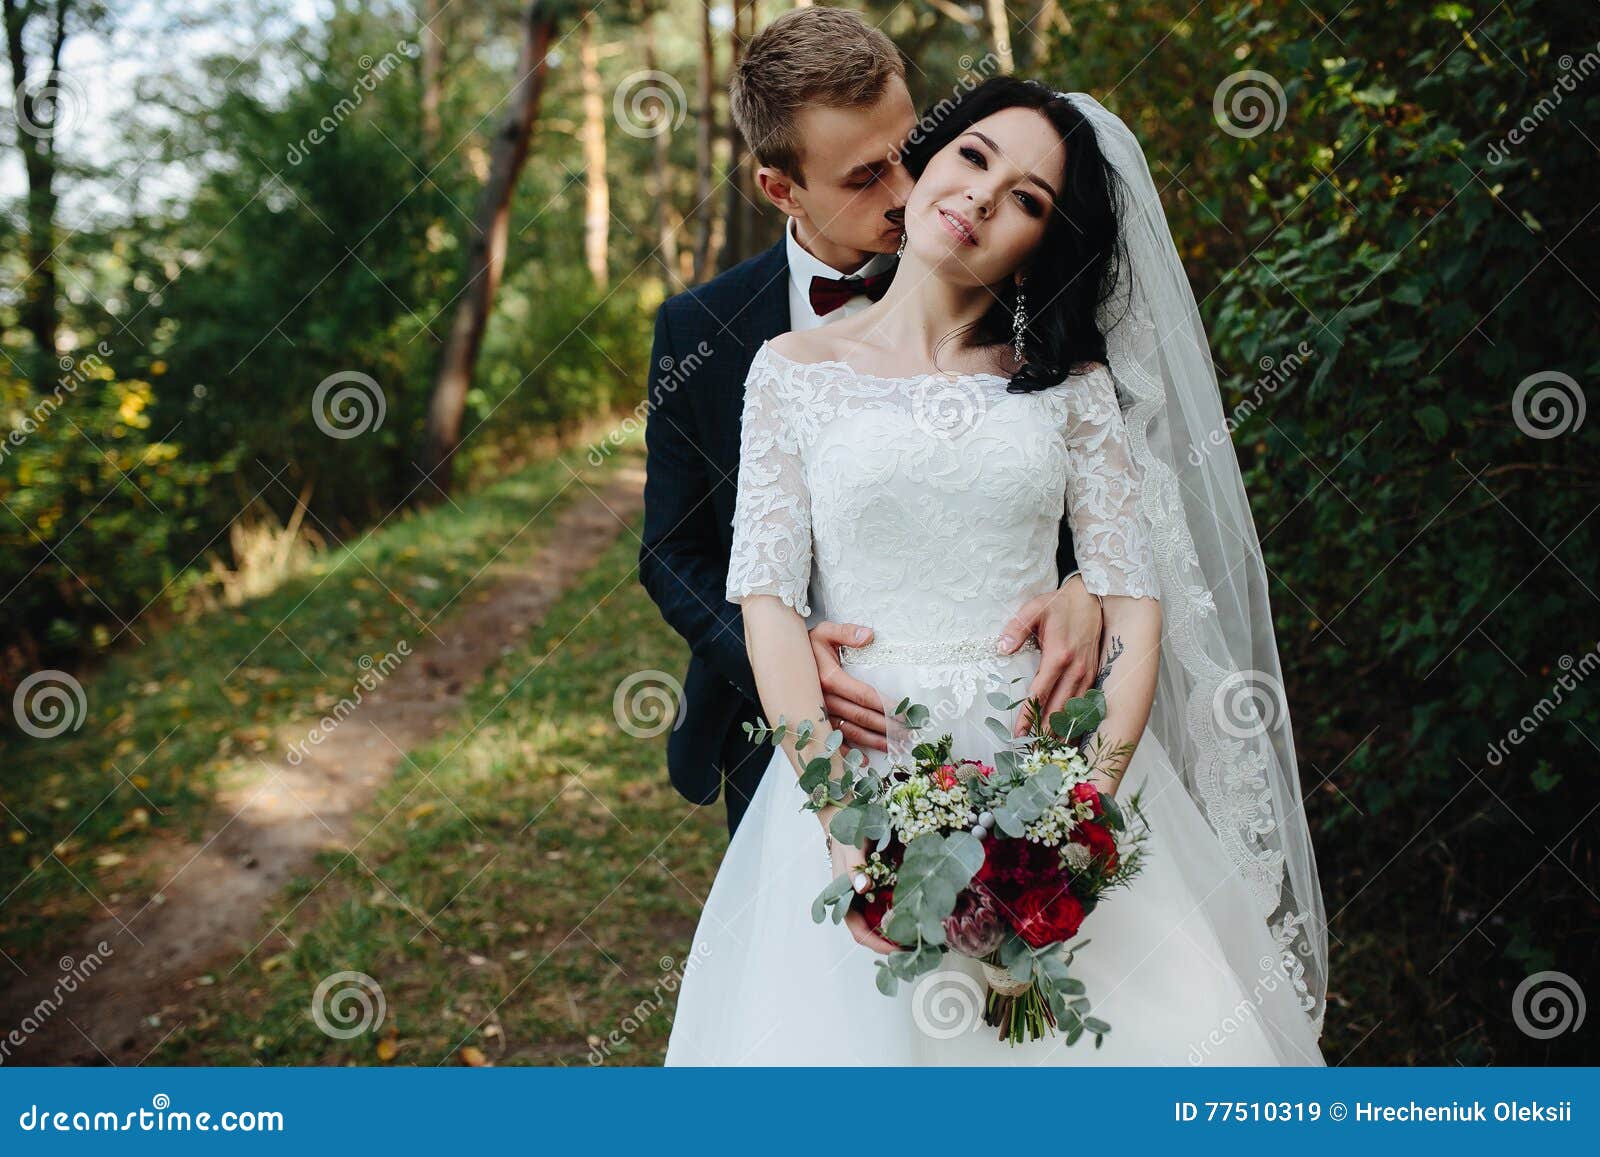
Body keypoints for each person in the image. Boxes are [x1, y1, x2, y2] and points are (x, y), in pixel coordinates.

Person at [663, 75, 1329, 1066]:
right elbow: (764, 599)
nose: (980, 196)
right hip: (860, 760)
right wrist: (843, 820)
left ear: (1040, 245)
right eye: (974, 158)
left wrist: (1084, 816)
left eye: (1026, 198)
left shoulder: (1073, 389)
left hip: (1042, 761)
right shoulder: (786, 369)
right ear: (925, 161)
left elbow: (1131, 608)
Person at [638, 7, 1102, 839]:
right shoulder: (699, 331)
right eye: (862, 177)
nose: (904, 192)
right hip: (789, 737)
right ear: (782, 188)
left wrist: (1083, 586)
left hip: (1008, 723)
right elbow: (672, 548)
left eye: (908, 151)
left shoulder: (1005, 273)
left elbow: (1064, 477)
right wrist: (781, 654)